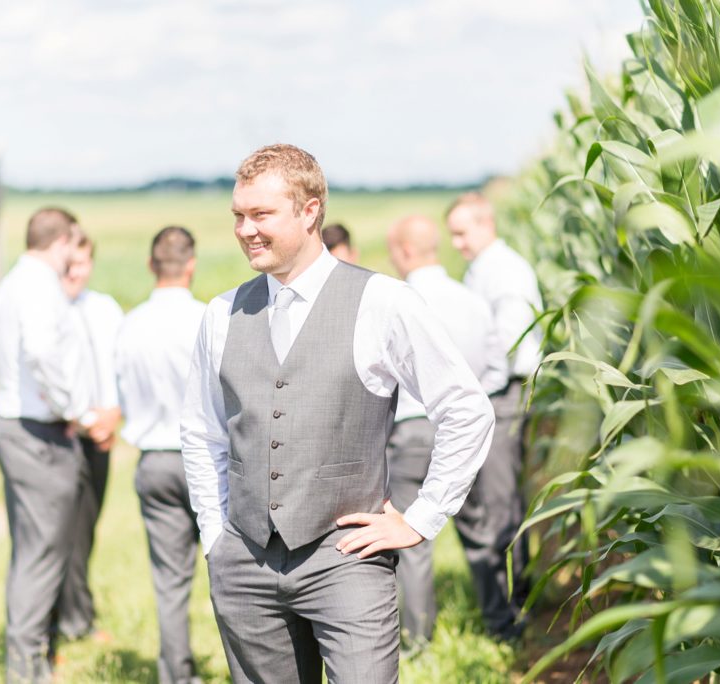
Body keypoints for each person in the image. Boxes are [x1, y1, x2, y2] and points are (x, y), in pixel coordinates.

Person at [180, 144, 495, 683]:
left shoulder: (383, 302)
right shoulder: (221, 313)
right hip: (245, 564)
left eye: (261, 214)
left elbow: (466, 408)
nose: (245, 230)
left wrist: (421, 518)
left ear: (310, 211)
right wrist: (216, 534)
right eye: (238, 215)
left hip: (347, 559)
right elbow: (202, 432)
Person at [0, 207, 119, 683]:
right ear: (62, 241)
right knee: (42, 558)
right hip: (38, 434)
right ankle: (28, 671)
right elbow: (43, 353)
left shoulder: (14, 281)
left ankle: (32, 662)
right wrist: (77, 411)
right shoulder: (39, 285)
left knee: (32, 552)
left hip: (19, 427)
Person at [385, 215, 508, 648]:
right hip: (467, 430)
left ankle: (417, 640)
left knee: (412, 541)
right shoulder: (472, 301)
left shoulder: (398, 302)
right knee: (478, 530)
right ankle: (501, 623)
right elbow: (497, 369)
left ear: (404, 250)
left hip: (413, 432)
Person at [445, 192, 543, 641]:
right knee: (500, 498)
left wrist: (471, 389)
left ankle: (514, 605)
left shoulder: (505, 271)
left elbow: (508, 340)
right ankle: (514, 596)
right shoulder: (481, 268)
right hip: (493, 392)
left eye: (462, 233)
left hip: (502, 394)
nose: (457, 243)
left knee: (500, 502)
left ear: (486, 224)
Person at [115, 226, 207, 684]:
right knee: (231, 576)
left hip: (153, 459)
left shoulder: (129, 323)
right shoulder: (208, 318)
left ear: (152, 264)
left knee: (170, 582)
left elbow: (119, 390)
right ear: (191, 264)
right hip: (205, 460)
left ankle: (176, 676)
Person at [56, 233, 123, 643]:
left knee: (87, 527)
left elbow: (121, 367)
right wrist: (84, 419)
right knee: (63, 533)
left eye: (81, 263)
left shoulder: (105, 308)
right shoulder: (50, 310)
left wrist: (112, 416)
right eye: (69, 264)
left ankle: (75, 614)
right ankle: (72, 620)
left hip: (101, 434)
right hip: (63, 435)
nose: (74, 272)